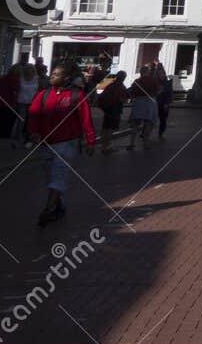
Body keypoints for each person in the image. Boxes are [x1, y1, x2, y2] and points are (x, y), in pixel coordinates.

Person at [25, 61, 97, 227]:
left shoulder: (76, 96)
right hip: (46, 144)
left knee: (58, 175)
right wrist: (33, 132)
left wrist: (90, 141)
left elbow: (86, 119)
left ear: (66, 78)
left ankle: (48, 209)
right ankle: (59, 206)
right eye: (52, 73)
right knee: (51, 177)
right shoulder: (42, 95)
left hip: (67, 144)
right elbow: (33, 115)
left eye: (57, 74)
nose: (52, 76)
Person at [126, 64, 161, 151]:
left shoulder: (137, 81)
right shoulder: (153, 81)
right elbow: (158, 91)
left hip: (138, 102)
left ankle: (131, 143)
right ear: (148, 72)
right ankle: (146, 143)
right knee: (148, 123)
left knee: (135, 124)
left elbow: (131, 93)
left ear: (141, 72)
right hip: (150, 102)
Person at [95, 66, 126, 154]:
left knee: (105, 126)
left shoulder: (110, 81)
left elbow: (99, 88)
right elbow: (122, 99)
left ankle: (102, 144)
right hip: (115, 108)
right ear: (123, 78)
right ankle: (107, 146)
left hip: (106, 107)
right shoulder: (121, 86)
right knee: (110, 128)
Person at [11, 62, 39, 148]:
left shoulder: (36, 78)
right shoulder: (21, 78)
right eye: (28, 69)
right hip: (21, 101)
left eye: (31, 69)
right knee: (21, 119)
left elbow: (38, 90)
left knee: (30, 120)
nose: (30, 70)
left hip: (32, 102)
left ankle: (28, 136)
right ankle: (18, 135)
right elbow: (17, 90)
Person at [154, 60, 175, 140]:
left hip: (163, 103)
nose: (161, 75)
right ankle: (144, 133)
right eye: (159, 73)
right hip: (156, 103)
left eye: (162, 73)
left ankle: (160, 133)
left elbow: (169, 94)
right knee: (151, 119)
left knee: (163, 120)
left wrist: (167, 103)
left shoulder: (167, 83)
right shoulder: (155, 82)